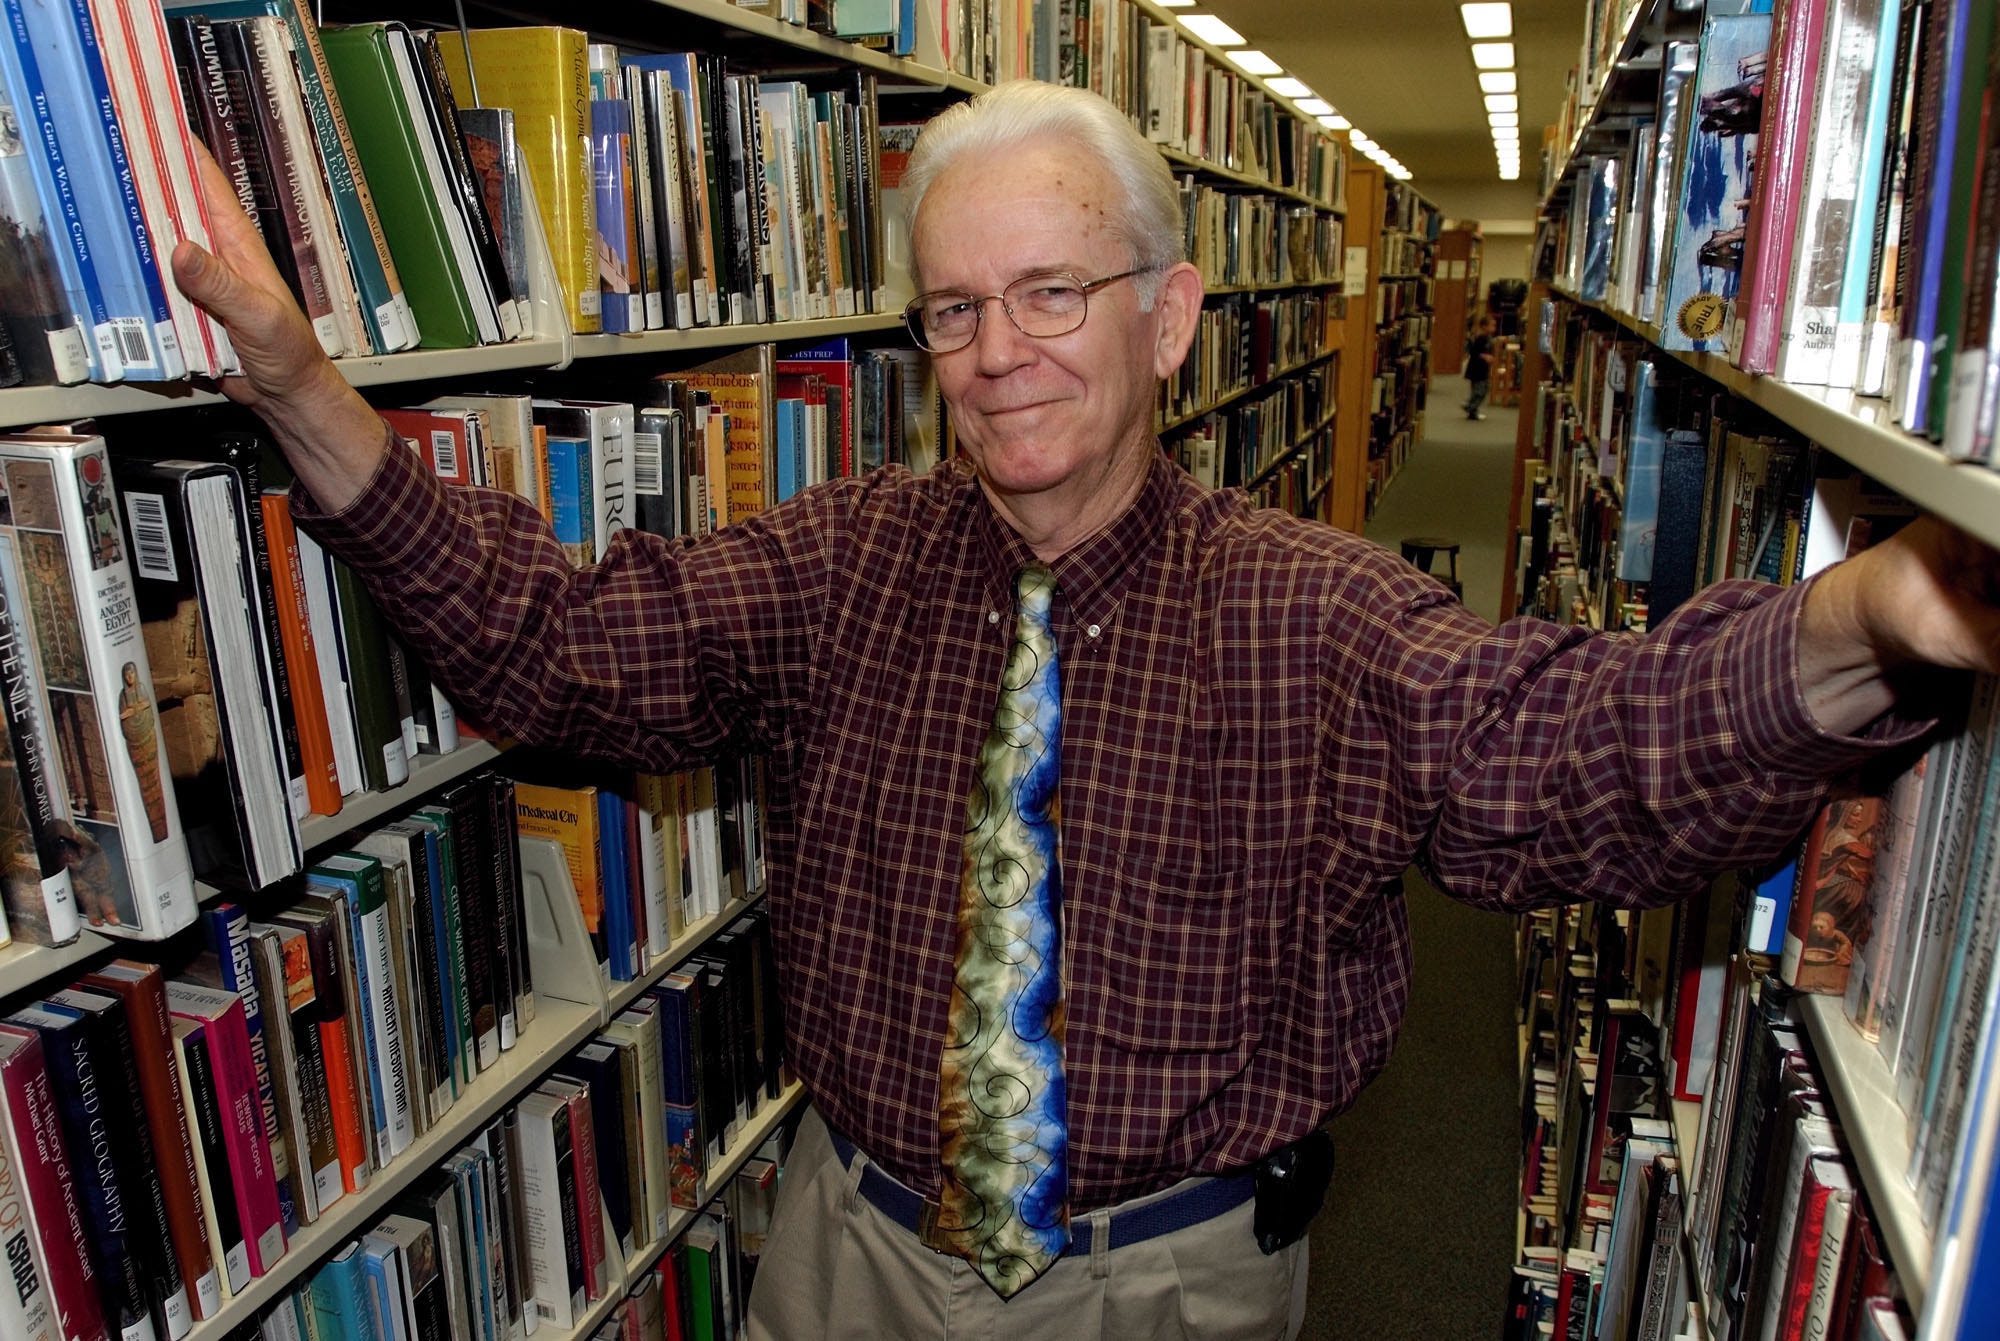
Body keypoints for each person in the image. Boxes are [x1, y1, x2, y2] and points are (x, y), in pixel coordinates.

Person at [171, 80, 2000, 1341]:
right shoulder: (842, 564)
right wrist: (300, 385)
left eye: (1053, 290)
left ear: (1174, 316)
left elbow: (1571, 755)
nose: (998, 351)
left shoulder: (1319, 609)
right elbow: (552, 649)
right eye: (954, 309)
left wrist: (1874, 620)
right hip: (849, 1250)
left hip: (1166, 1289)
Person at [1464, 313, 1496, 420]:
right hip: (1476, 369)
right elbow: (1473, 352)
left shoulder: (1488, 337)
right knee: (1479, 390)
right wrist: (1484, 356)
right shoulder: (1480, 338)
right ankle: (1470, 406)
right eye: (1491, 325)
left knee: (1482, 389)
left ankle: (1473, 411)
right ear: (1484, 326)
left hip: (1483, 369)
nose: (1493, 328)